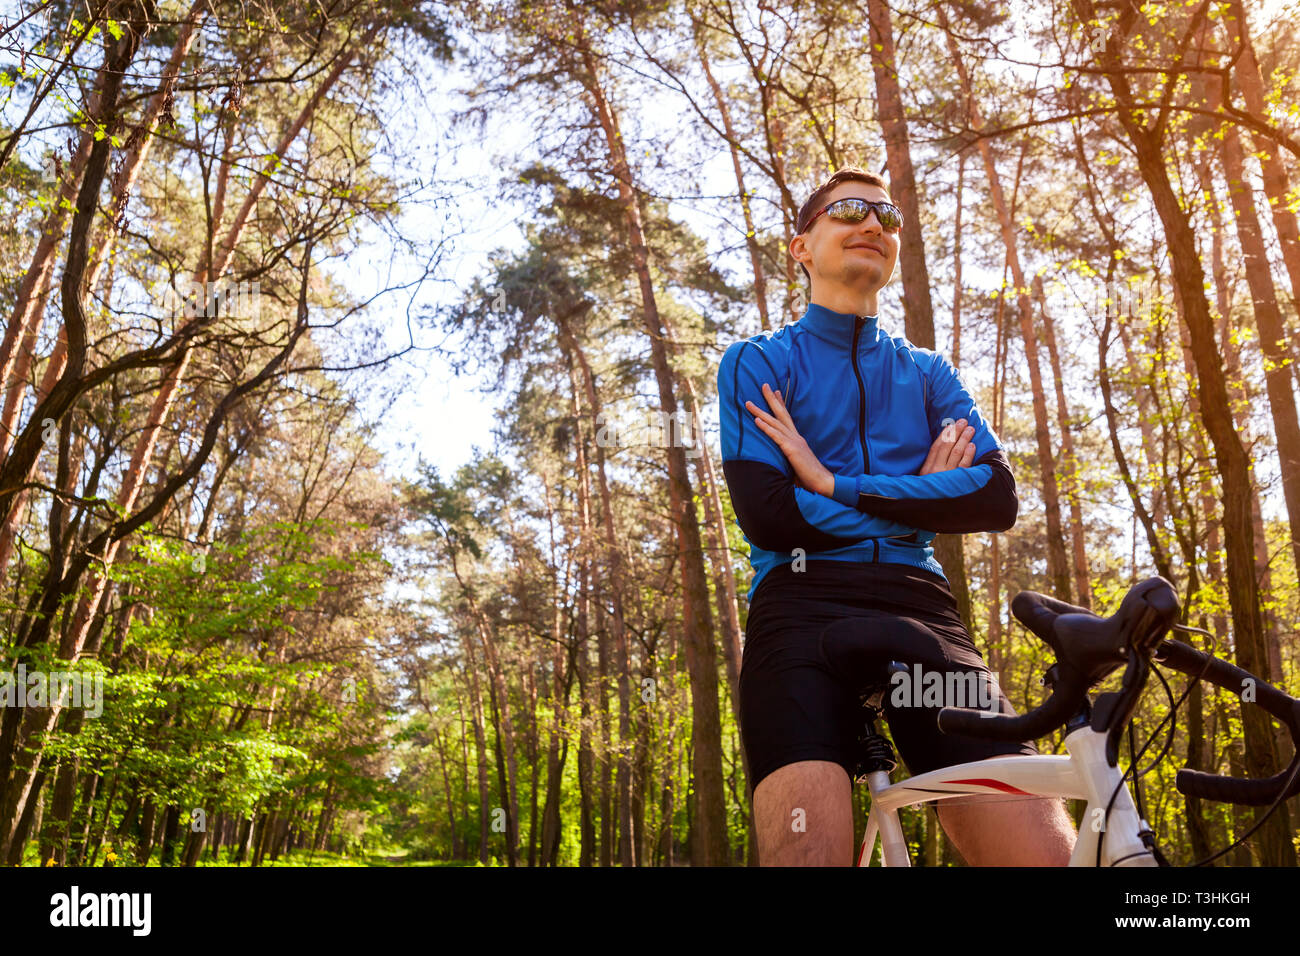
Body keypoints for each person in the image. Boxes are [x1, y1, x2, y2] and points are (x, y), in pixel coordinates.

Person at [716, 165, 1077, 866]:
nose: (873, 224)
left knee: (1046, 859)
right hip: (799, 609)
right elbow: (770, 519)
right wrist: (916, 508)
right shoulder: (756, 361)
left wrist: (832, 483)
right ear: (801, 247)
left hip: (921, 615)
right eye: (848, 210)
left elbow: (996, 500)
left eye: (887, 217)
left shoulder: (931, 374)